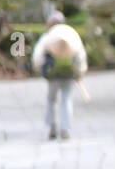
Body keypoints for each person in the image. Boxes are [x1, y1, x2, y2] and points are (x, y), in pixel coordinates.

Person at [31, 11, 87, 140]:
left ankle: (51, 127)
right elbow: (80, 54)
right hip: (69, 73)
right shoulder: (70, 33)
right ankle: (65, 128)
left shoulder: (49, 36)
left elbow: (38, 56)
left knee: (51, 100)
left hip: (53, 73)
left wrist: (38, 68)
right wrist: (80, 72)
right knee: (66, 100)